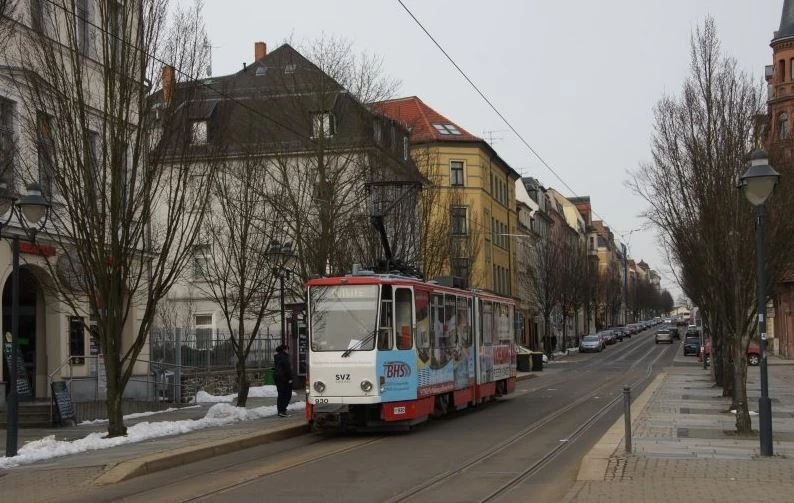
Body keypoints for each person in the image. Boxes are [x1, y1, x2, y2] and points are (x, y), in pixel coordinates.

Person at [274, 344, 293, 417]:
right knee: (287, 395)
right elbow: (287, 369)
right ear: (284, 350)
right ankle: (282, 410)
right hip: (284, 379)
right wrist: (290, 379)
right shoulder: (284, 357)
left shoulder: (277, 357)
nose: (288, 351)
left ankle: (280, 411)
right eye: (287, 349)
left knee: (281, 395)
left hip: (278, 378)